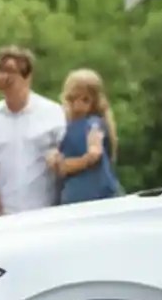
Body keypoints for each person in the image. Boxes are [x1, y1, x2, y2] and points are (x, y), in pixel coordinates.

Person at [0, 45, 67, 216]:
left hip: (48, 212)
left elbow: (67, 158)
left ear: (27, 77)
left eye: (10, 71)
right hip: (6, 216)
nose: (4, 77)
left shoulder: (54, 113)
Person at [50, 68, 122, 205]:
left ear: (94, 102)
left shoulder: (93, 124)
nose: (78, 105)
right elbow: (58, 166)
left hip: (98, 197)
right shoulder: (62, 127)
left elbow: (94, 153)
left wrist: (80, 161)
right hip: (72, 197)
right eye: (72, 99)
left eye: (85, 100)